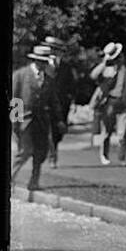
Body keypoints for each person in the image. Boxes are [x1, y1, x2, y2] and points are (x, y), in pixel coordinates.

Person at [11, 48, 59, 190]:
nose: (43, 64)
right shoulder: (20, 76)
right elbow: (15, 100)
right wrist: (15, 124)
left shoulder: (48, 80)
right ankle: (10, 178)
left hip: (41, 122)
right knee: (24, 152)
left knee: (40, 153)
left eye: (45, 61)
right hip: (24, 122)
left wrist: (59, 119)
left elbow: (54, 101)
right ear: (35, 60)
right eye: (41, 61)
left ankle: (34, 182)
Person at [89, 42, 126, 165]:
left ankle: (122, 158)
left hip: (125, 106)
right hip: (110, 103)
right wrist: (104, 63)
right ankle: (104, 155)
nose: (118, 60)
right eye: (115, 58)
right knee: (106, 132)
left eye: (119, 57)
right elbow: (93, 76)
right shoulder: (107, 71)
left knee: (122, 134)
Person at [42, 35, 75, 166]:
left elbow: (71, 85)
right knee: (48, 130)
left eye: (54, 49)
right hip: (46, 103)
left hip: (61, 104)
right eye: (50, 48)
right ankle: (51, 157)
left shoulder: (66, 67)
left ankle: (53, 150)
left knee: (58, 133)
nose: (52, 51)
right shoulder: (43, 65)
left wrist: (71, 100)